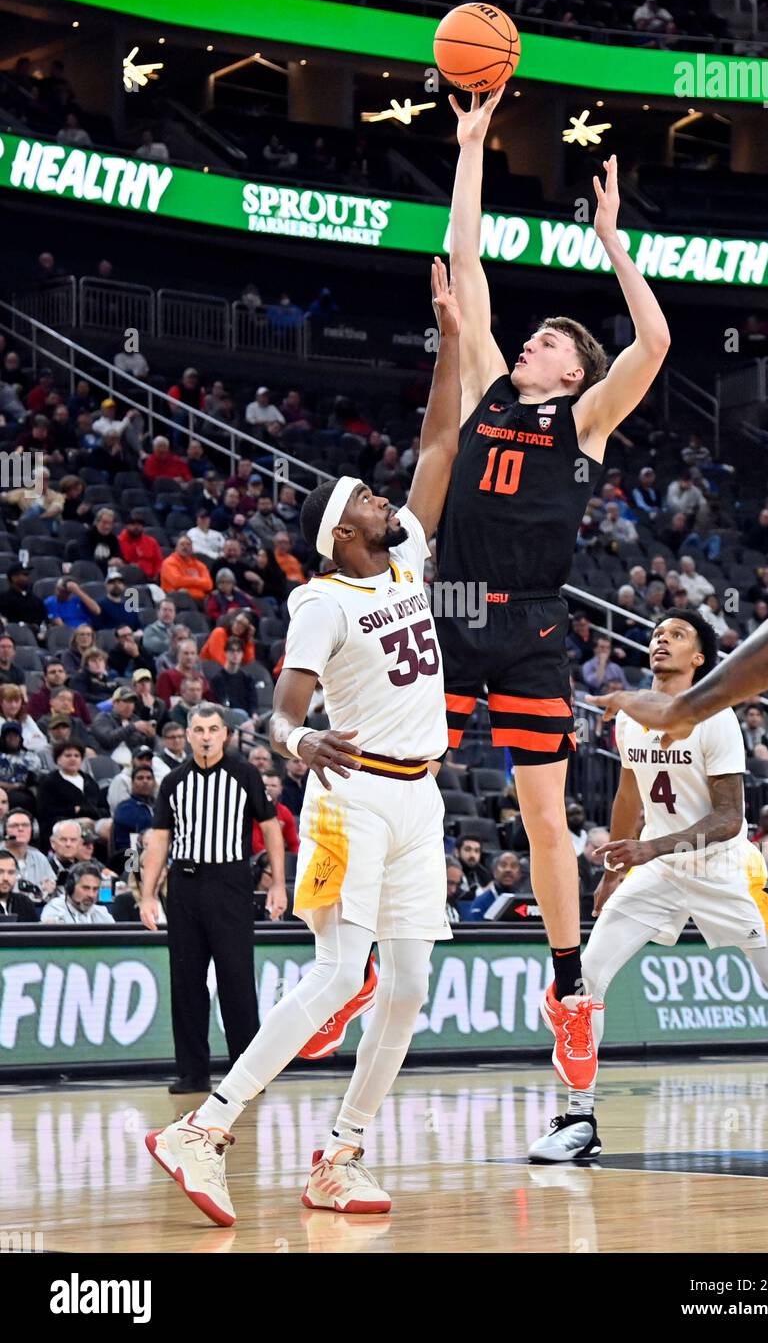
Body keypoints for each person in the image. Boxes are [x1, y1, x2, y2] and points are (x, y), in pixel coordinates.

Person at [144, 258, 461, 1223]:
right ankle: (205, 1126)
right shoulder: (321, 598)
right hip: (351, 791)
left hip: (421, 795)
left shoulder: (401, 562)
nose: (381, 498)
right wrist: (295, 741)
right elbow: (281, 702)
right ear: (341, 532)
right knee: (338, 971)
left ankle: (341, 1154)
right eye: (366, 497)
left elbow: (440, 439)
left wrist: (449, 338)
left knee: (408, 986)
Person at [440, 89, 670, 1109]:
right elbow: (470, 260)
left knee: (543, 820)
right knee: (390, 782)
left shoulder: (582, 418)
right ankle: (353, 957)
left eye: (544, 342)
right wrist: (472, 143)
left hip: (531, 618)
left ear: (573, 367)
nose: (525, 344)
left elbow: (653, 344)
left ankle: (570, 992)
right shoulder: (487, 386)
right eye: (525, 339)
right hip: (446, 608)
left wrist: (612, 242)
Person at [530, 610, 768, 1162]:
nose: (662, 639)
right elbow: (628, 795)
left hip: (722, 868)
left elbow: (729, 819)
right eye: (658, 633)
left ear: (700, 659)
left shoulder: (717, 718)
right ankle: (579, 1119)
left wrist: (648, 848)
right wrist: (618, 866)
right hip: (658, 872)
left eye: (677, 635)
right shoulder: (629, 716)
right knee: (583, 980)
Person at [137, 704, 285, 1100]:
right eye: (199, 729)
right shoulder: (172, 781)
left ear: (226, 734)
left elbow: (271, 829)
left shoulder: (245, 774)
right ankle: (192, 1073)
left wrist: (278, 885)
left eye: (213, 729)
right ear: (188, 735)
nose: (205, 736)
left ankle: (247, 1074)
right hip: (184, 885)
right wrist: (148, 894)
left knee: (237, 980)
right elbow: (159, 840)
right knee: (186, 982)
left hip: (230, 883)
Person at [40, 861, 115, 924]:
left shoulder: (102, 913)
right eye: (86, 888)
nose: (91, 895)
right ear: (70, 887)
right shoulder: (54, 910)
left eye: (95, 889)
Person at [0, 848, 39, 921]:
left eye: (11, 872)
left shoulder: (25, 903)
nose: (5, 878)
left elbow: (35, 931)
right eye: (0, 872)